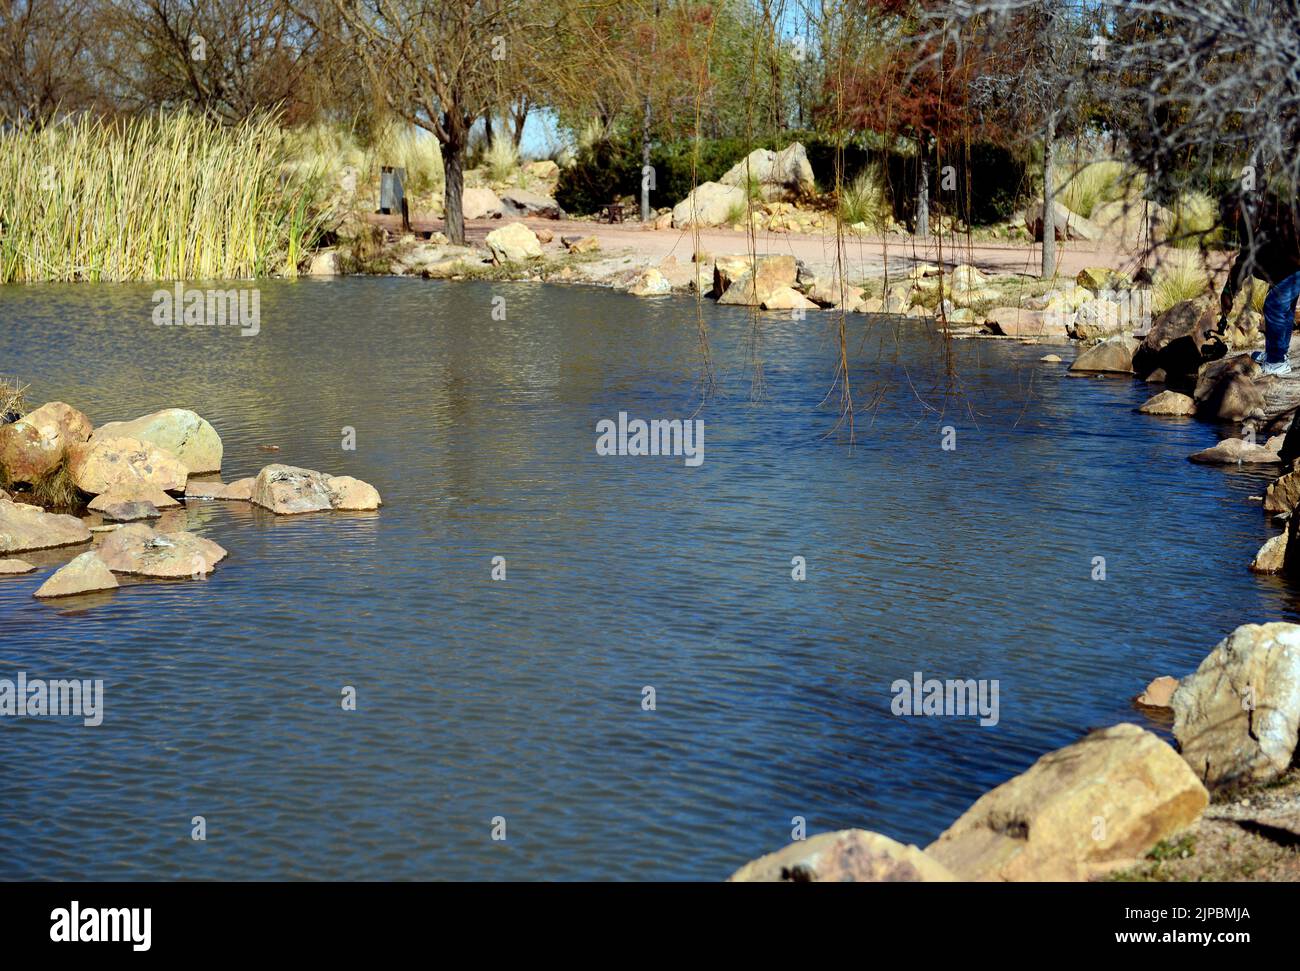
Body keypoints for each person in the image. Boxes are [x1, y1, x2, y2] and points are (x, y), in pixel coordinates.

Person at [1219, 191, 1300, 376]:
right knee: (1284, 309)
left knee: (1274, 306)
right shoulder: (1250, 220)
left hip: (1295, 266)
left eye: (1228, 217)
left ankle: (1277, 361)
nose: (1227, 224)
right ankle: (1277, 354)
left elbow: (1248, 258)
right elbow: (1246, 258)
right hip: (1287, 267)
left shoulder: (1268, 216)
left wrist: (1228, 292)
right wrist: (1229, 291)